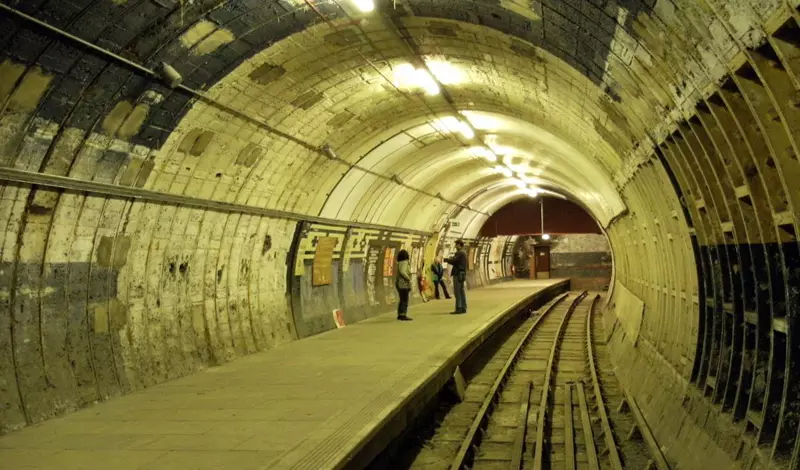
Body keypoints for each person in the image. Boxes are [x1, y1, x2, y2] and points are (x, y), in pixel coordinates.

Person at [445, 240, 468, 314]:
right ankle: (463, 307)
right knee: (461, 291)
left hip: (457, 274)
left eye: (456, 244)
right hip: (462, 274)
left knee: (457, 292)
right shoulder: (464, 253)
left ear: (459, 245)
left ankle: (458, 308)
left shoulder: (460, 253)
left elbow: (454, 261)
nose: (455, 246)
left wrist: (446, 259)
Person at [395, 249, 413, 321]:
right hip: (403, 284)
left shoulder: (399, 262)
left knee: (402, 299)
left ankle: (400, 314)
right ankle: (403, 315)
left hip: (399, 283)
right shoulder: (404, 262)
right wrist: (408, 278)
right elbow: (402, 272)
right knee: (405, 299)